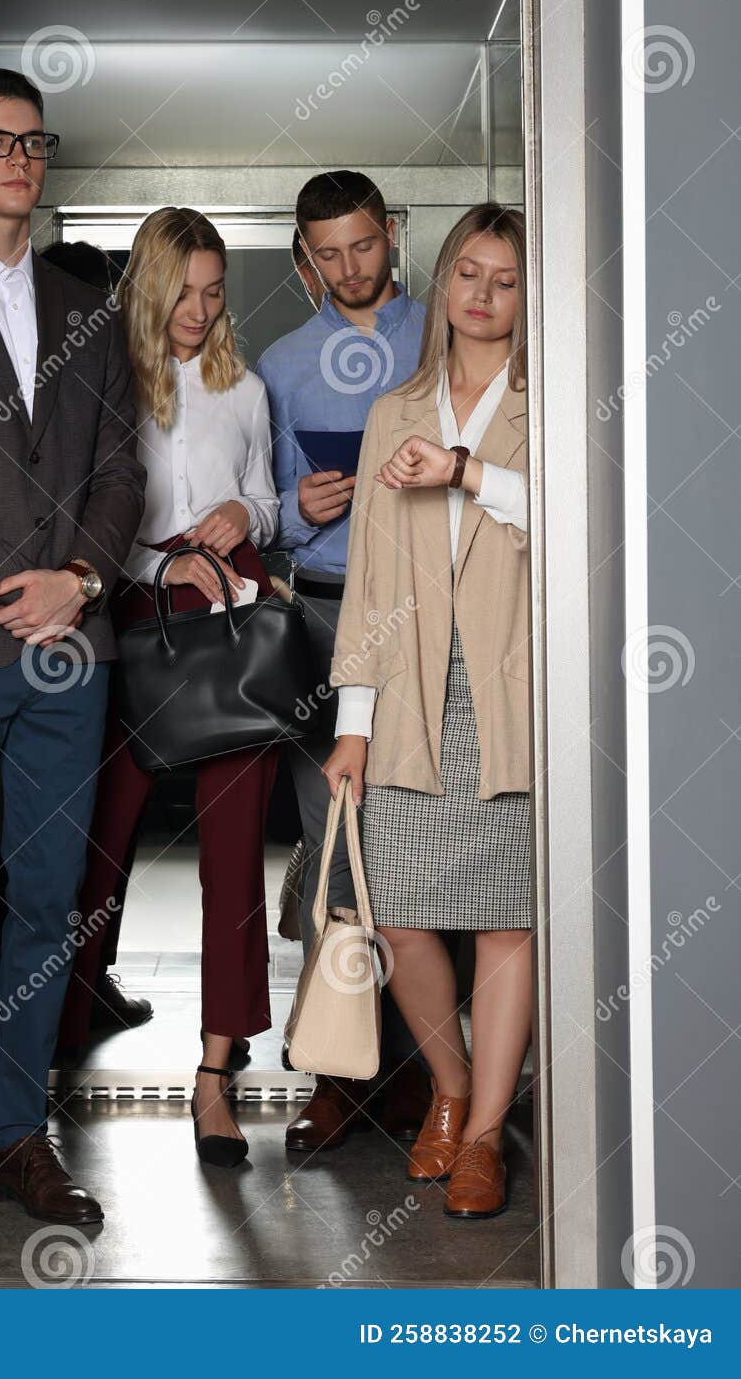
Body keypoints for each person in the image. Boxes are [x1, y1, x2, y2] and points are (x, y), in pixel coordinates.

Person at [0, 67, 146, 1247]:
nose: (17, 155)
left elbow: (120, 472)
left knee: (47, 903)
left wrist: (82, 583)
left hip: (75, 644)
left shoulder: (85, 309)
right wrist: (3, 593)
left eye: (32, 138)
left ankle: (13, 1136)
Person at [58, 207, 280, 1167]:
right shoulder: (104, 381)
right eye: (181, 290)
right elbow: (82, 515)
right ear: (145, 287)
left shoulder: (247, 387)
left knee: (234, 855)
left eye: (213, 290)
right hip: (133, 624)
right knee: (99, 837)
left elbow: (268, 501)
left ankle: (216, 1074)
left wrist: (243, 511)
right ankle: (58, 1029)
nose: (198, 310)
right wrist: (159, 568)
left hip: (235, 629)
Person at [324, 202, 532, 1220]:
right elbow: (367, 577)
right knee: (399, 912)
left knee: (503, 919)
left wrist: (470, 471)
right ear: (441, 283)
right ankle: (446, 1086)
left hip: (512, 698)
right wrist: (350, 723)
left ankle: (485, 1132)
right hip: (406, 692)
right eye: (467, 273)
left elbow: (576, 518)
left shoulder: (555, 405)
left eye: (504, 278)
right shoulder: (391, 415)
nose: (483, 295)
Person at [256, 170, 430, 1152]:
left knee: (423, 846)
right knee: (333, 853)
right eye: (325, 252)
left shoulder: (440, 336)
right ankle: (337, 1075)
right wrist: (298, 511)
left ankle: (415, 1074)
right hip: (321, 619)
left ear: (390, 236)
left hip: (430, 622)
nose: (346, 267)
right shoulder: (279, 364)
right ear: (302, 256)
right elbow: (262, 506)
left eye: (361, 246)